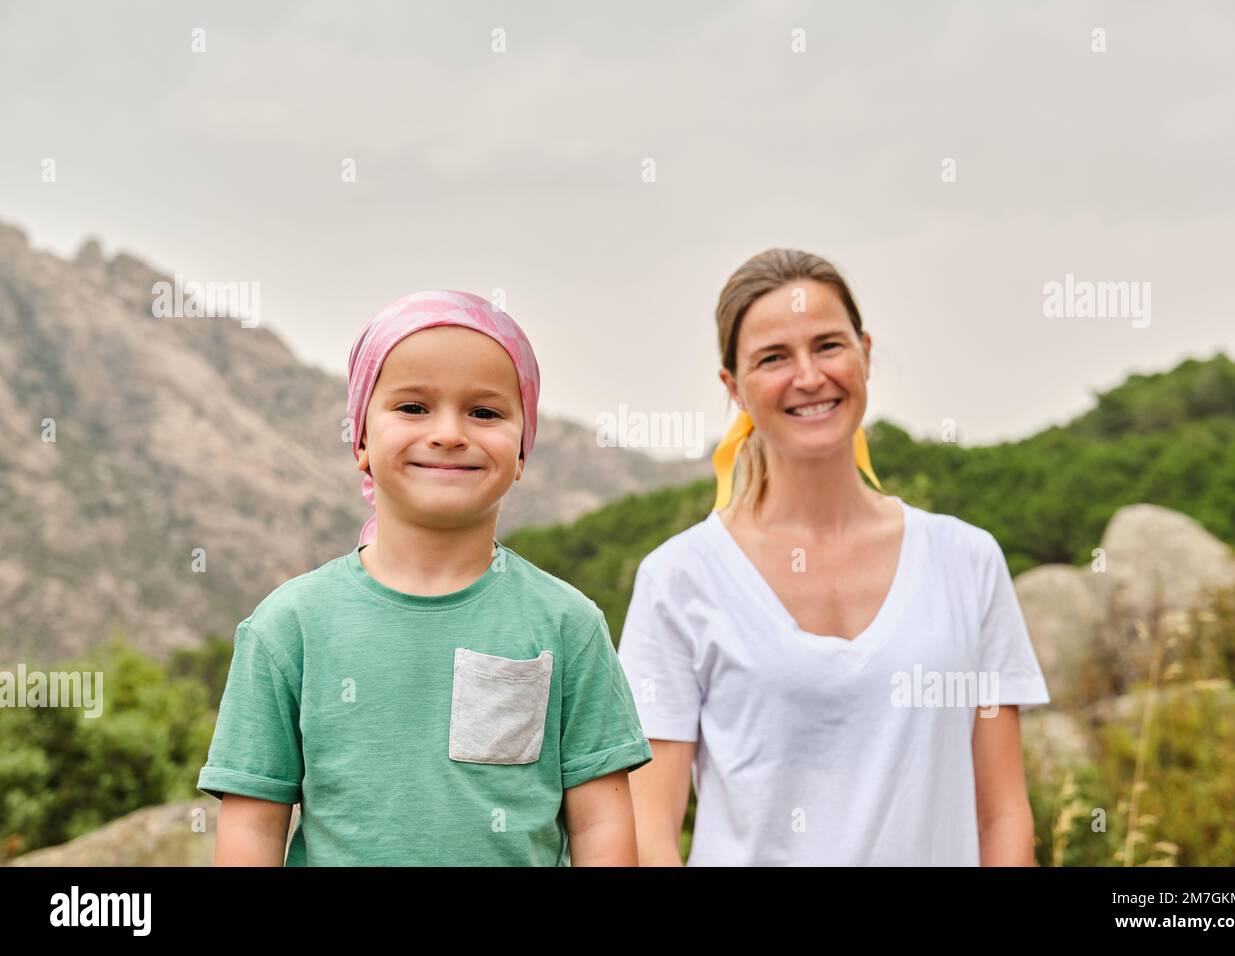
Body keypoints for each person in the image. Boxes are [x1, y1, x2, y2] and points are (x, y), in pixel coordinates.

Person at [617, 249, 1051, 866]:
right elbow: (647, 831)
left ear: (865, 352)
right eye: (773, 358)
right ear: (733, 388)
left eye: (828, 346)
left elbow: (1002, 814)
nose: (809, 376)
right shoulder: (679, 578)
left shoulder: (968, 561)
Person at [198, 289, 652, 865]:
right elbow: (252, 830)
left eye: (484, 412)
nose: (448, 433)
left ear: (522, 451)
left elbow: (601, 823)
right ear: (360, 439)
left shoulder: (567, 624)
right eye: (413, 407)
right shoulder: (289, 626)